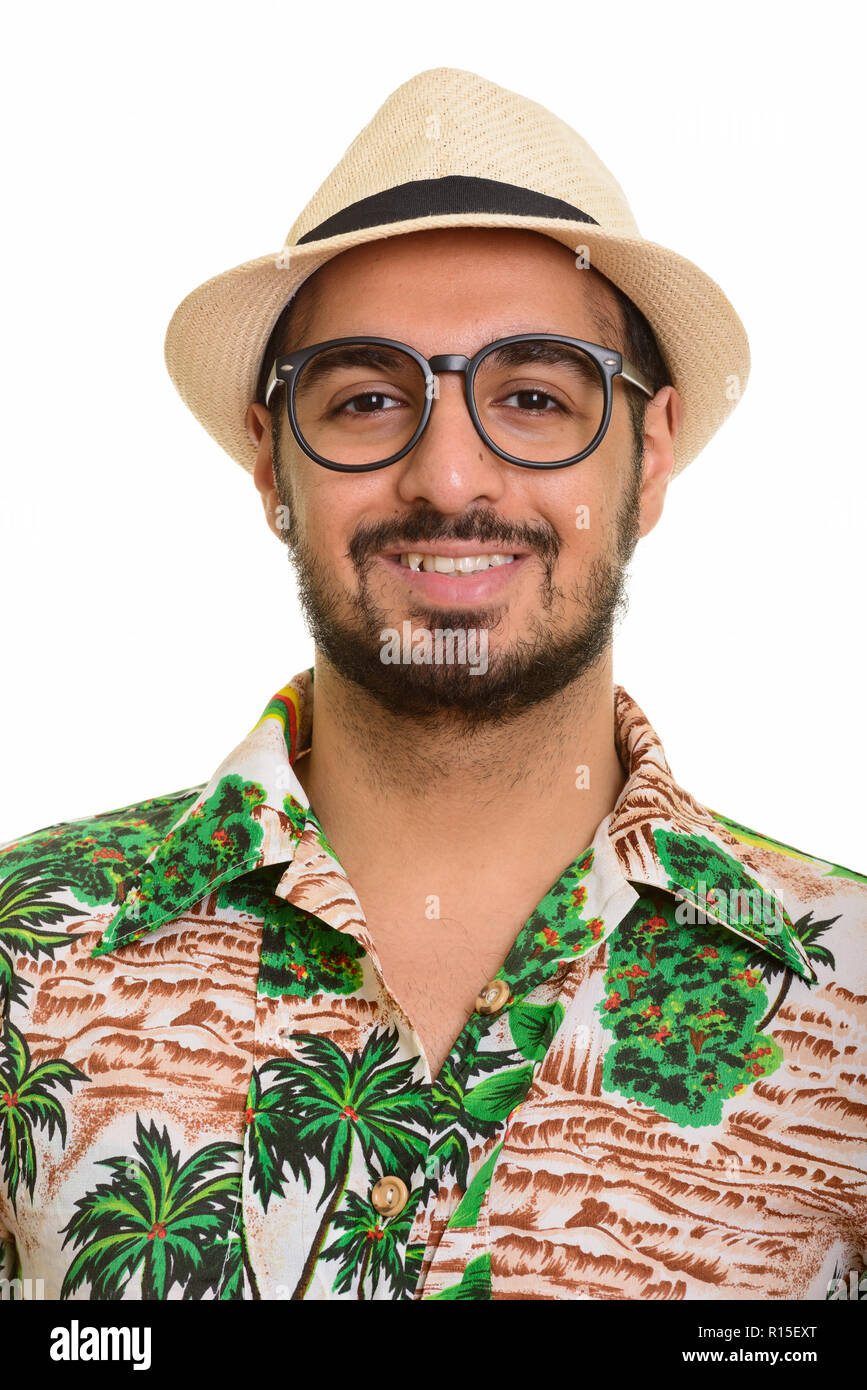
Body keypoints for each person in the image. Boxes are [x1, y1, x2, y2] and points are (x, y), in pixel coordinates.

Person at [1, 66, 864, 1303]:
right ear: (269, 461)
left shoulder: (854, 999)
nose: (449, 476)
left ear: (653, 453)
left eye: (531, 396)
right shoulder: (18, 963)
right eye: (364, 399)